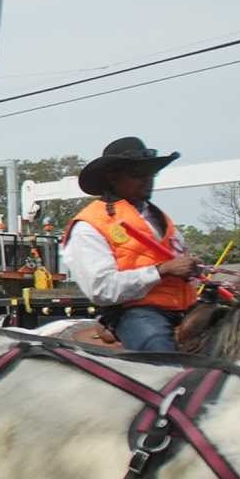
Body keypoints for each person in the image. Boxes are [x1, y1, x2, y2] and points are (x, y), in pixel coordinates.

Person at [62, 135, 199, 352]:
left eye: (151, 174)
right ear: (112, 177)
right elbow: (101, 289)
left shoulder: (162, 219)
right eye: (138, 174)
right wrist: (162, 270)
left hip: (190, 308)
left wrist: (192, 269)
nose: (147, 180)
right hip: (137, 313)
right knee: (163, 357)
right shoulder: (88, 226)